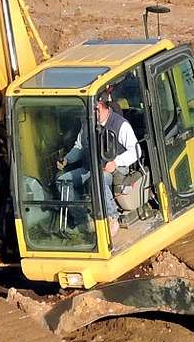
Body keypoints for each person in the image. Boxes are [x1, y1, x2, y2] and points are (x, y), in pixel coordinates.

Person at [56, 91, 139, 239]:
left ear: (103, 106)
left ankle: (111, 218)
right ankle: (83, 220)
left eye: (96, 108)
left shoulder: (120, 125)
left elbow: (135, 150)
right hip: (90, 168)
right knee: (62, 182)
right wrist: (67, 159)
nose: (94, 112)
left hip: (113, 170)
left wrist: (116, 162)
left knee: (99, 178)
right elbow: (79, 147)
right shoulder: (87, 124)